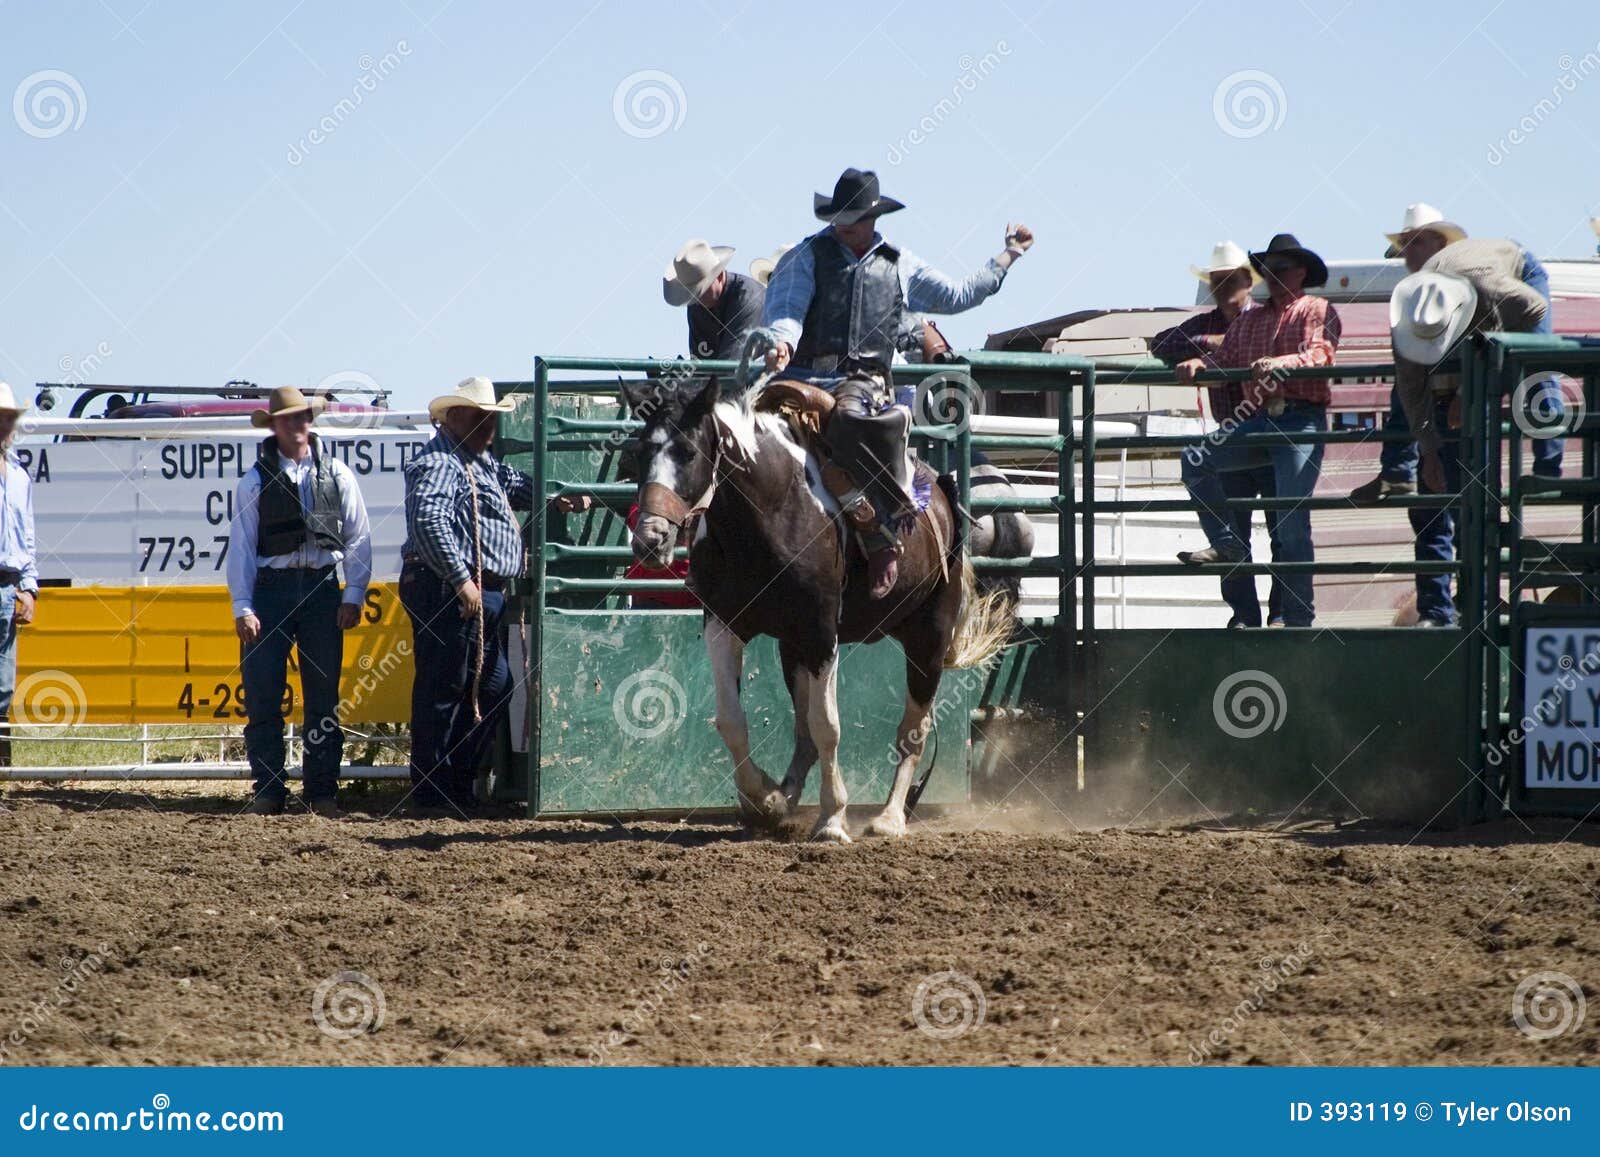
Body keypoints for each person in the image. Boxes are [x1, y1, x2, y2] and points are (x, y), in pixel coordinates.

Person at [762, 166, 1033, 596]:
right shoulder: (804, 257)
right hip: (800, 378)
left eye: (854, 218)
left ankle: (878, 530)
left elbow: (957, 295)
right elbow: (786, 313)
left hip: (863, 383)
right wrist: (781, 343)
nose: (845, 226)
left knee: (851, 420)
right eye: (841, 218)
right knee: (737, 434)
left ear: (873, 218)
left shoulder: (900, 263)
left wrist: (1007, 256)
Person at [1173, 234, 1342, 628]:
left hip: (1299, 420)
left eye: (1281, 267)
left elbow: (1322, 353)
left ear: (1300, 272)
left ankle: (1297, 619)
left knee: (1290, 525)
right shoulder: (1250, 320)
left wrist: (1281, 362)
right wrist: (1200, 364)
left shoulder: (1317, 309)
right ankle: (1228, 545)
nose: (1274, 274)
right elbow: (1224, 359)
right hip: (1259, 418)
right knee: (1195, 459)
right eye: (1268, 268)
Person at [228, 386, 372, 817]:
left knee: (323, 697)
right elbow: (241, 545)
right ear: (274, 425)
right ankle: (269, 790)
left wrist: (354, 592)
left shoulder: (338, 474)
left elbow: (358, 535)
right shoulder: (254, 480)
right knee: (262, 693)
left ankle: (321, 792)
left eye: (303, 416)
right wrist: (243, 605)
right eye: (289, 417)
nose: (297, 424)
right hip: (270, 590)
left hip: (322, 588)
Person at [1390, 239, 1549, 627]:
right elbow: (1411, 389)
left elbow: (1535, 308)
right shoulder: (1409, 318)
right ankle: (1443, 610)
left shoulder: (1489, 285)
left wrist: (1469, 388)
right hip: (1446, 401)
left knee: (1539, 368)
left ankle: (1549, 455)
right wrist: (1429, 450)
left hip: (1510, 285)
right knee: (1435, 508)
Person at [400, 377, 535, 816]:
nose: (490, 427)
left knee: (492, 686)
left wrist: (554, 497)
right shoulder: (440, 462)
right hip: (449, 589)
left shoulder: (480, 462)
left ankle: (455, 787)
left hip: (474, 591)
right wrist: (461, 580)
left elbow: (518, 485)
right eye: (482, 418)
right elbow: (428, 521)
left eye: (492, 419)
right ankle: (432, 792)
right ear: (456, 417)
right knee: (447, 687)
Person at [1151, 242, 1284, 627]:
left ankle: (1278, 614)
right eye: (1217, 280)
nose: (1223, 287)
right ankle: (1246, 615)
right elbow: (1161, 343)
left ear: (1247, 281)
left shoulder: (1262, 319)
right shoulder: (1211, 323)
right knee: (1236, 534)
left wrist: (1212, 349)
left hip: (1265, 432)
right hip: (1235, 437)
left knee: (1280, 534)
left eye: (1230, 279)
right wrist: (1210, 346)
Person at [1351, 204, 1468, 503]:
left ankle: (1398, 470)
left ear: (1439, 244)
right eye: (1406, 244)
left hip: (1457, 406)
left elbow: (1482, 341)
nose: (1408, 252)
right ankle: (1398, 471)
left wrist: (1464, 393)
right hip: (1437, 404)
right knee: (1435, 504)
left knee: (1459, 498)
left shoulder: (1463, 285)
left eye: (1416, 242)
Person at [0, 383, 38, 774]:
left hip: (8, 585)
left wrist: (28, 587)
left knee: (3, 684)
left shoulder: (19, 477)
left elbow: (26, 537)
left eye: (9, 418)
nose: (6, 425)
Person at [664, 239, 766, 361]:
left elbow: (732, 363)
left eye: (702, 290)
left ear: (719, 276)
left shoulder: (748, 298)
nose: (697, 299)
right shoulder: (695, 304)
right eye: (693, 294)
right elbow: (701, 360)